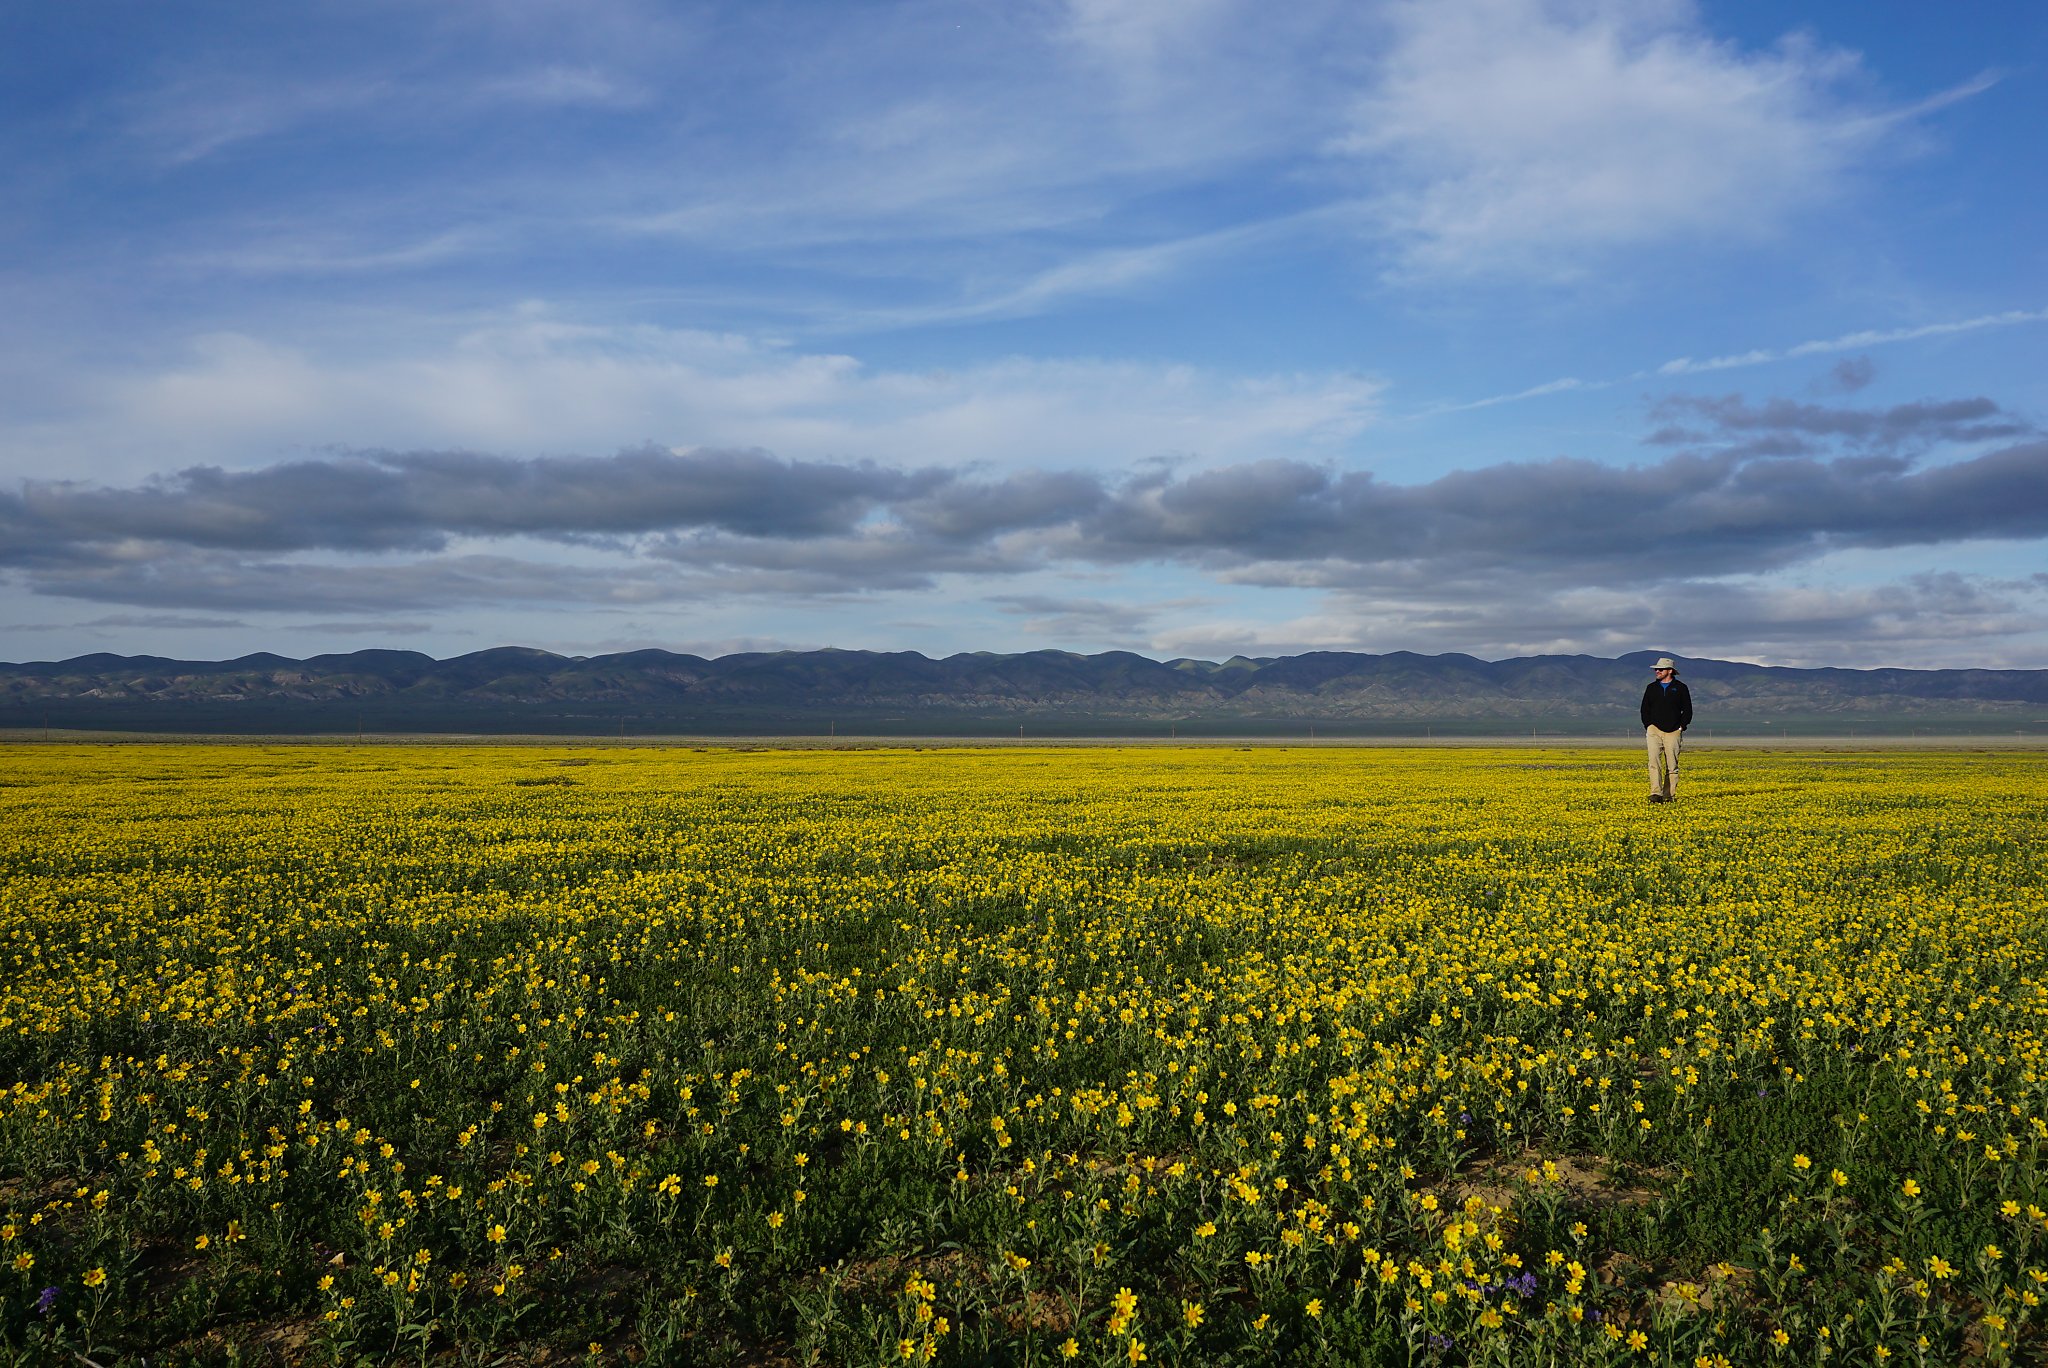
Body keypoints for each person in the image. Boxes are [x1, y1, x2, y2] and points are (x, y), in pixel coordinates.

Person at [1640, 657, 1691, 803]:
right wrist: (1648, 725)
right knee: (1654, 762)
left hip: (1674, 731)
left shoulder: (1681, 688)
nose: (1657, 671)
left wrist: (1681, 726)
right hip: (1654, 730)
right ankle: (1656, 793)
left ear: (1670, 671)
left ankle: (1669, 795)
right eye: (1656, 669)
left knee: (1672, 765)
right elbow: (1644, 709)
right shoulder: (1651, 688)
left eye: (1660, 669)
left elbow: (1687, 710)